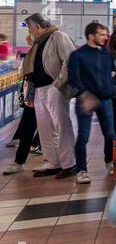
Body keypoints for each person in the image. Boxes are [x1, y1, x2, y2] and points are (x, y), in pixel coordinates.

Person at [24, 13, 76, 178]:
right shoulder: (38, 42)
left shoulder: (58, 36)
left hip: (54, 87)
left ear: (38, 26)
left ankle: (69, 164)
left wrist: (59, 84)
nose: (30, 31)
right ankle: (53, 162)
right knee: (45, 127)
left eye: (30, 27)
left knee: (62, 126)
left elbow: (69, 60)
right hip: (39, 88)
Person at [66, 21, 116, 184]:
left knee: (110, 134)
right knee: (83, 137)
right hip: (85, 100)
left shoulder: (107, 54)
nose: (105, 37)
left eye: (105, 34)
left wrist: (113, 87)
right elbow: (74, 79)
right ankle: (81, 170)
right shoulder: (77, 55)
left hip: (105, 100)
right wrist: (85, 95)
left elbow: (113, 74)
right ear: (91, 36)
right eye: (101, 34)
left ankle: (109, 162)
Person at [2, 41, 42, 175]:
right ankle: (20, 160)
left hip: (45, 95)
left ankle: (51, 158)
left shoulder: (47, 46)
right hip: (34, 95)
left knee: (47, 127)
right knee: (27, 127)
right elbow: (29, 74)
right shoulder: (37, 49)